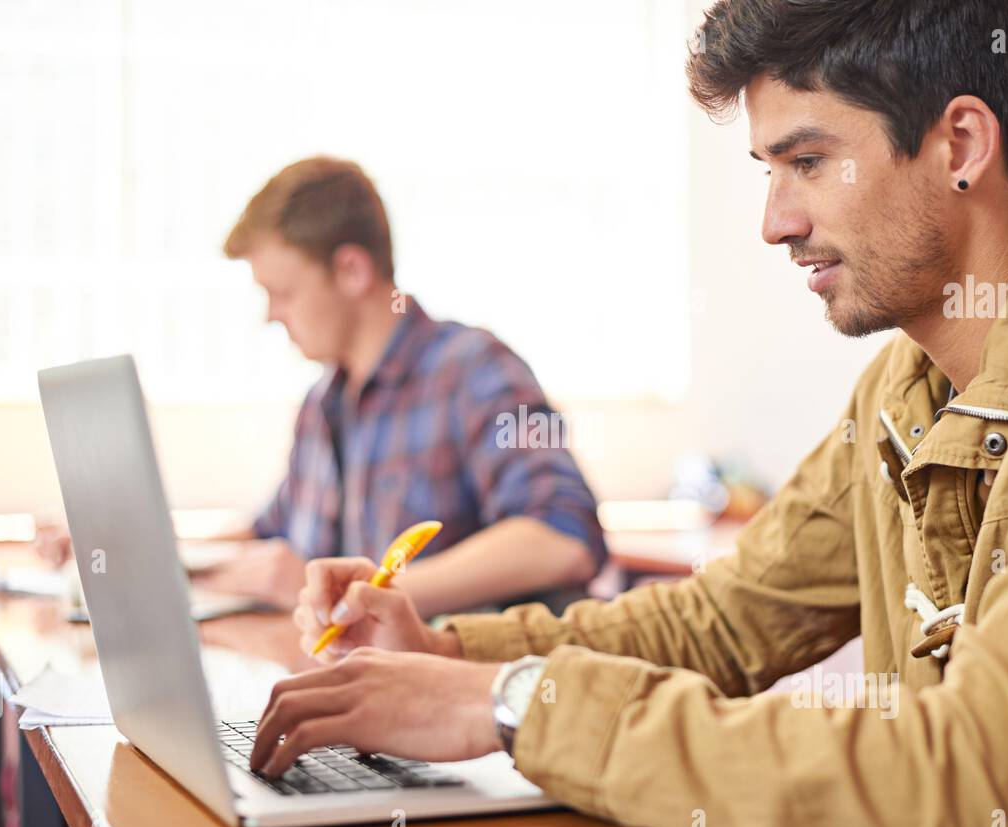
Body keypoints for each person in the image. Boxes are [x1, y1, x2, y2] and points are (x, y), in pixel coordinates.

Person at [249, 0, 1008, 827]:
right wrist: (449, 658)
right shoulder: (901, 389)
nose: (775, 222)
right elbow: (722, 618)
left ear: (960, 143)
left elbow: (980, 784)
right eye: (770, 170)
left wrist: (515, 704)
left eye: (809, 162)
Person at [39, 157, 608, 617]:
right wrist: (117, 547)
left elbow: (562, 540)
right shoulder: (323, 405)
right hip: (353, 687)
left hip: (457, 709)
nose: (270, 315)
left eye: (282, 292)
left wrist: (364, 594)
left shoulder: (476, 370)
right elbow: (262, 540)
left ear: (353, 271)